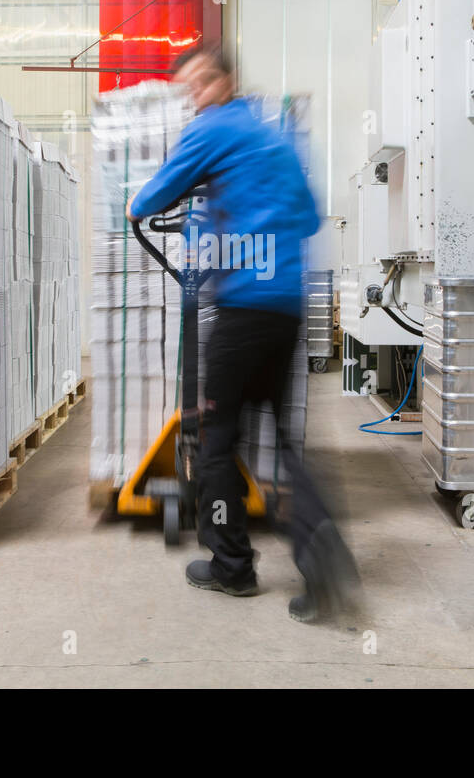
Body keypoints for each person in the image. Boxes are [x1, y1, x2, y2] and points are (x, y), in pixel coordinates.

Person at [125, 43, 360, 623]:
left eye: (201, 84)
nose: (196, 96)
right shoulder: (275, 136)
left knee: (215, 438)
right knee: (280, 440)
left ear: (225, 81)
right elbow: (307, 216)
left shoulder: (212, 130)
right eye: (189, 89)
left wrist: (138, 205)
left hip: (240, 312)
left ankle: (232, 566)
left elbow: (152, 197)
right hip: (285, 310)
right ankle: (322, 547)